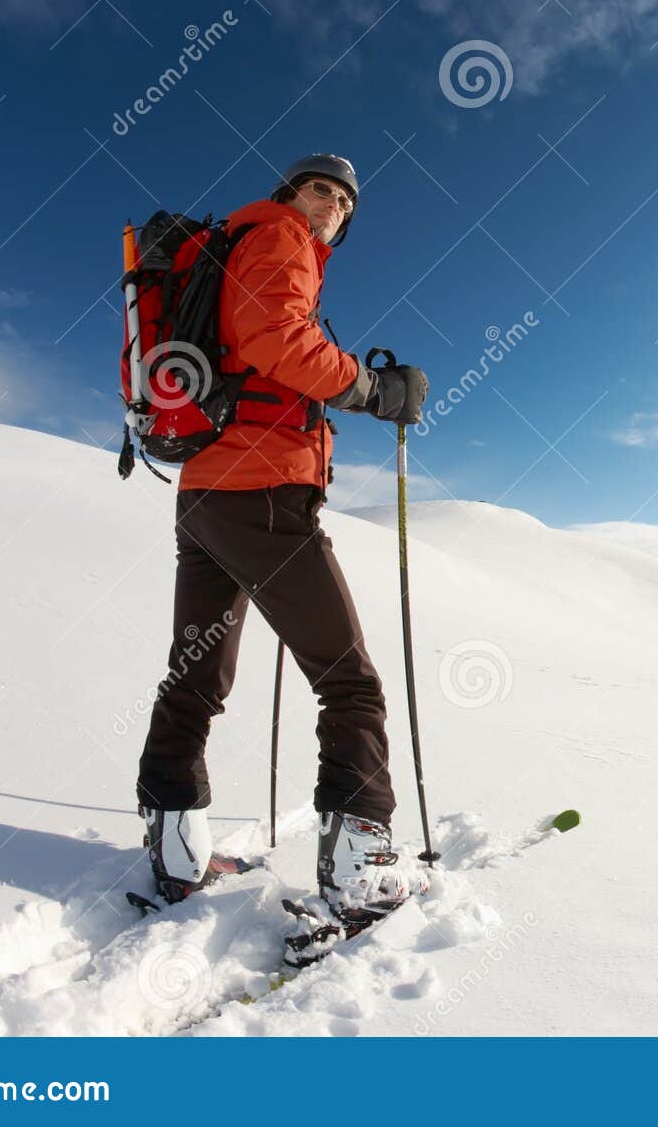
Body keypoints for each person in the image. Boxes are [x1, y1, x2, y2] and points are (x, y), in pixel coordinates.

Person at [134, 153, 430, 924]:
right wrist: (373, 390)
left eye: (341, 199)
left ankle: (175, 846)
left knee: (196, 675)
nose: (329, 204)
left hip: (205, 494)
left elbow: (255, 341)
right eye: (318, 190)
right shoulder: (280, 235)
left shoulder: (239, 243)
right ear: (289, 195)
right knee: (349, 679)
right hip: (261, 493)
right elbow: (274, 338)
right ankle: (360, 870)